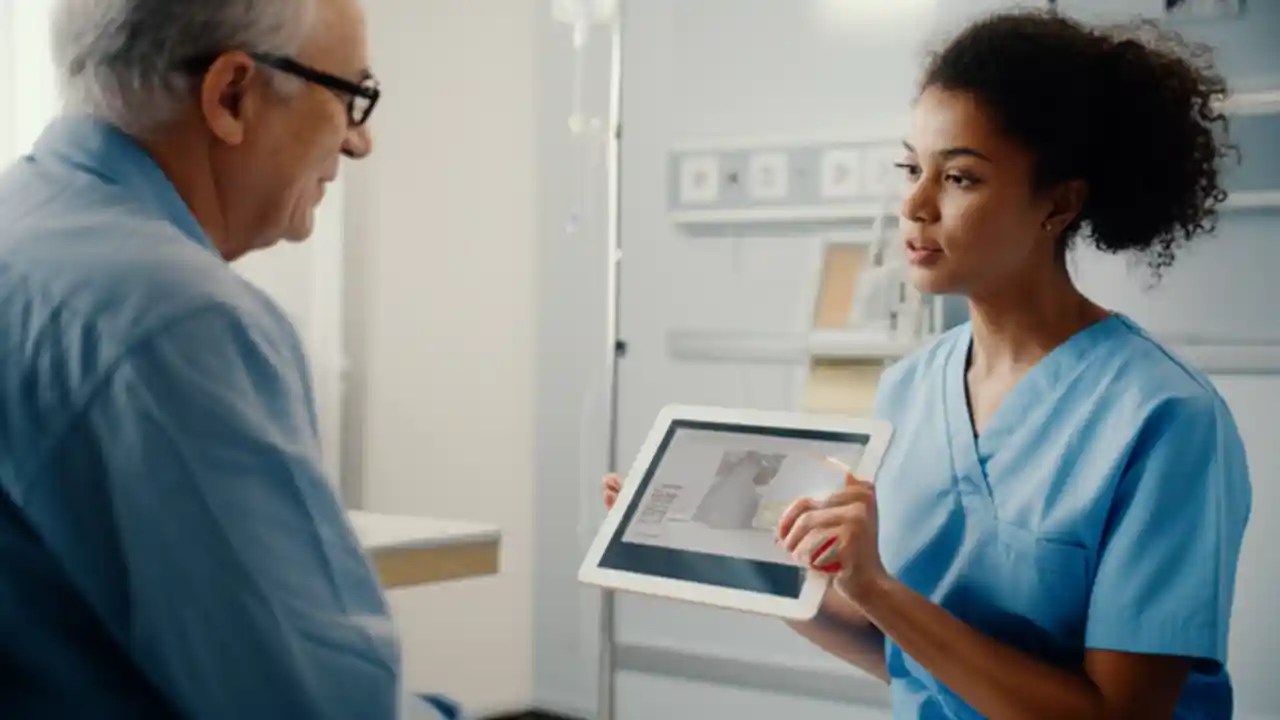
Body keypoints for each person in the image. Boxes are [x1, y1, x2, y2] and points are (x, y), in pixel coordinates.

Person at [605, 10, 1251, 719]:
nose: (914, 205)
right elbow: (902, 654)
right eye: (911, 168)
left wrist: (880, 589)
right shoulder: (912, 389)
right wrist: (739, 554)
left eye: (961, 178)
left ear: (1059, 203)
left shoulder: (1163, 419)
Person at [0, 1, 457, 717]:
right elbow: (317, 707)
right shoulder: (174, 318)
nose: (358, 143)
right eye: (349, 98)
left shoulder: (22, 229)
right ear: (232, 95)